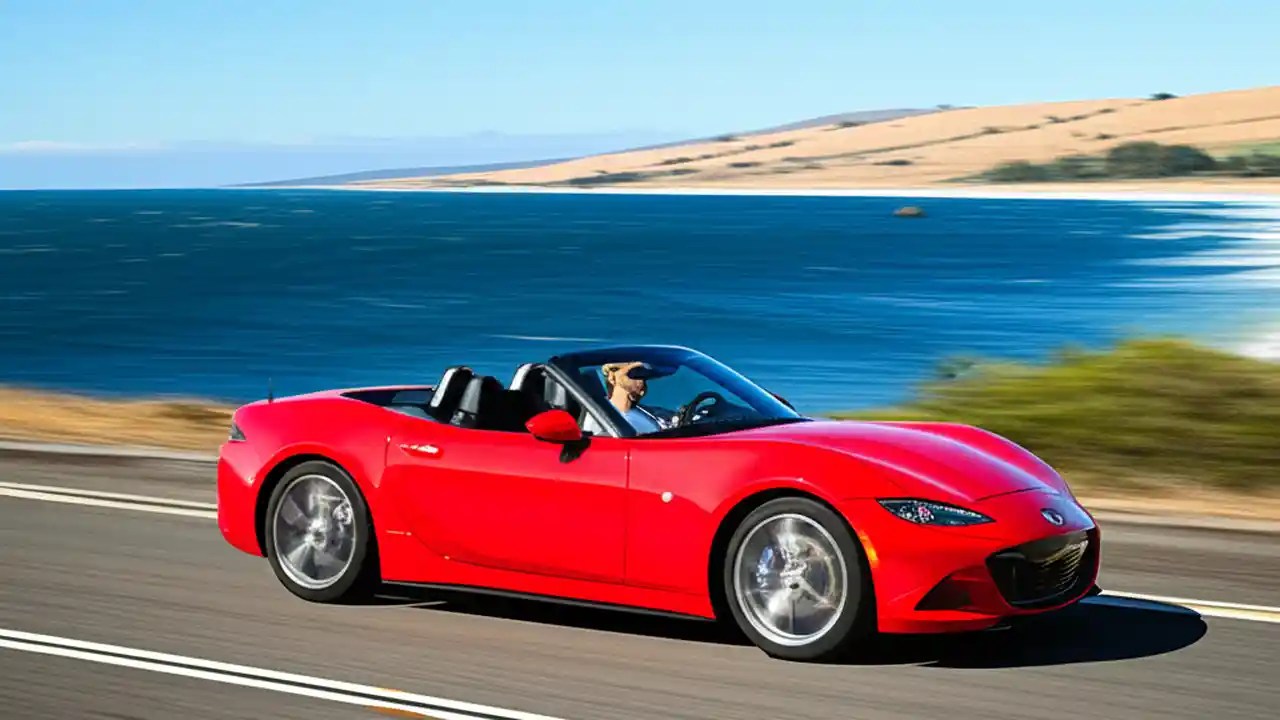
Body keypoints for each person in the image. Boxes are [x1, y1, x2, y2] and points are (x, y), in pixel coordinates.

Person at [601, 361, 670, 433]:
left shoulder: (656, 414)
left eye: (643, 376)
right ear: (612, 377)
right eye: (635, 373)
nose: (641, 382)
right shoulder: (598, 417)